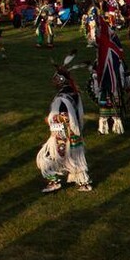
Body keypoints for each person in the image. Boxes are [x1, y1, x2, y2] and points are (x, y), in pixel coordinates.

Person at [36, 54, 92, 193]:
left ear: (61, 80)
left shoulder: (61, 98)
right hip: (75, 135)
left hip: (63, 136)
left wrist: (49, 121)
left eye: (55, 80)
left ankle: (54, 182)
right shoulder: (73, 92)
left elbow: (62, 118)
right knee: (76, 159)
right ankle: (83, 184)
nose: (53, 82)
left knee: (45, 157)